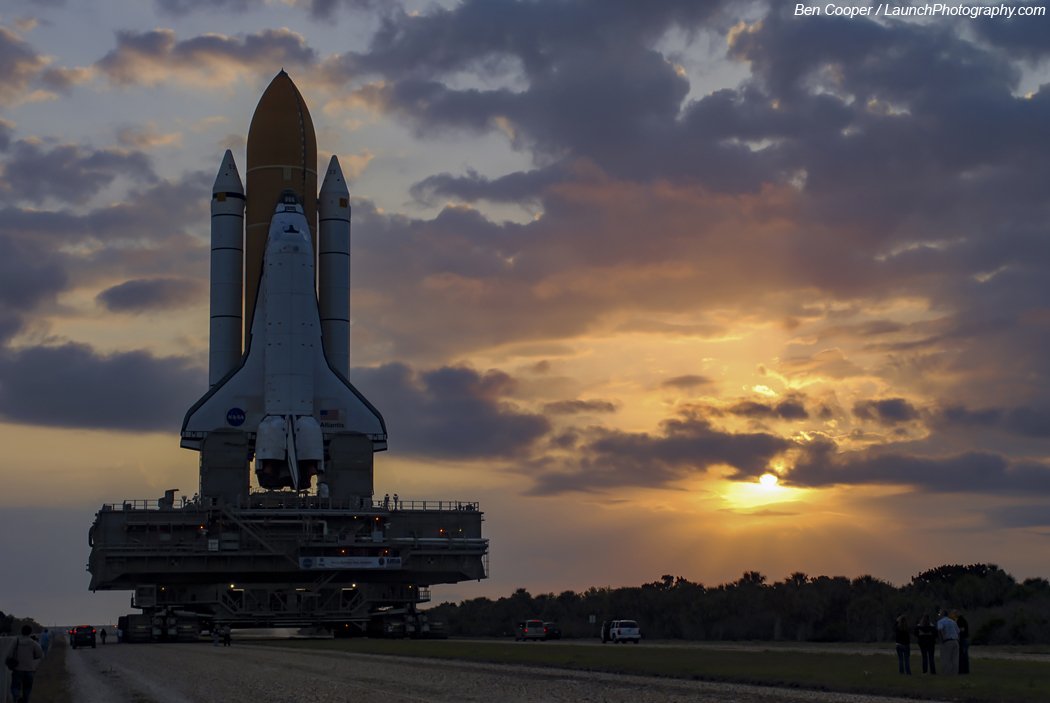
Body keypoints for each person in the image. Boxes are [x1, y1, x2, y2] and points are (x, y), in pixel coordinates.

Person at [10, 624, 45, 703]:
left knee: (15, 687)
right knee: (27, 689)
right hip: (30, 669)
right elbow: (40, 654)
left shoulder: (16, 642)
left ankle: (17, 698)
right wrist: (33, 657)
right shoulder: (33, 643)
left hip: (17, 669)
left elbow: (10, 653)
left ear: (21, 631)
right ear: (30, 632)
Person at [937, 608, 960, 675]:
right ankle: (954, 673)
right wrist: (958, 640)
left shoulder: (941, 621)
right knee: (955, 659)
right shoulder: (953, 621)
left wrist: (942, 640)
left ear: (942, 614)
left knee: (946, 658)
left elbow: (940, 630)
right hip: (955, 641)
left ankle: (947, 673)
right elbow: (958, 631)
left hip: (947, 641)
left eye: (940, 613)